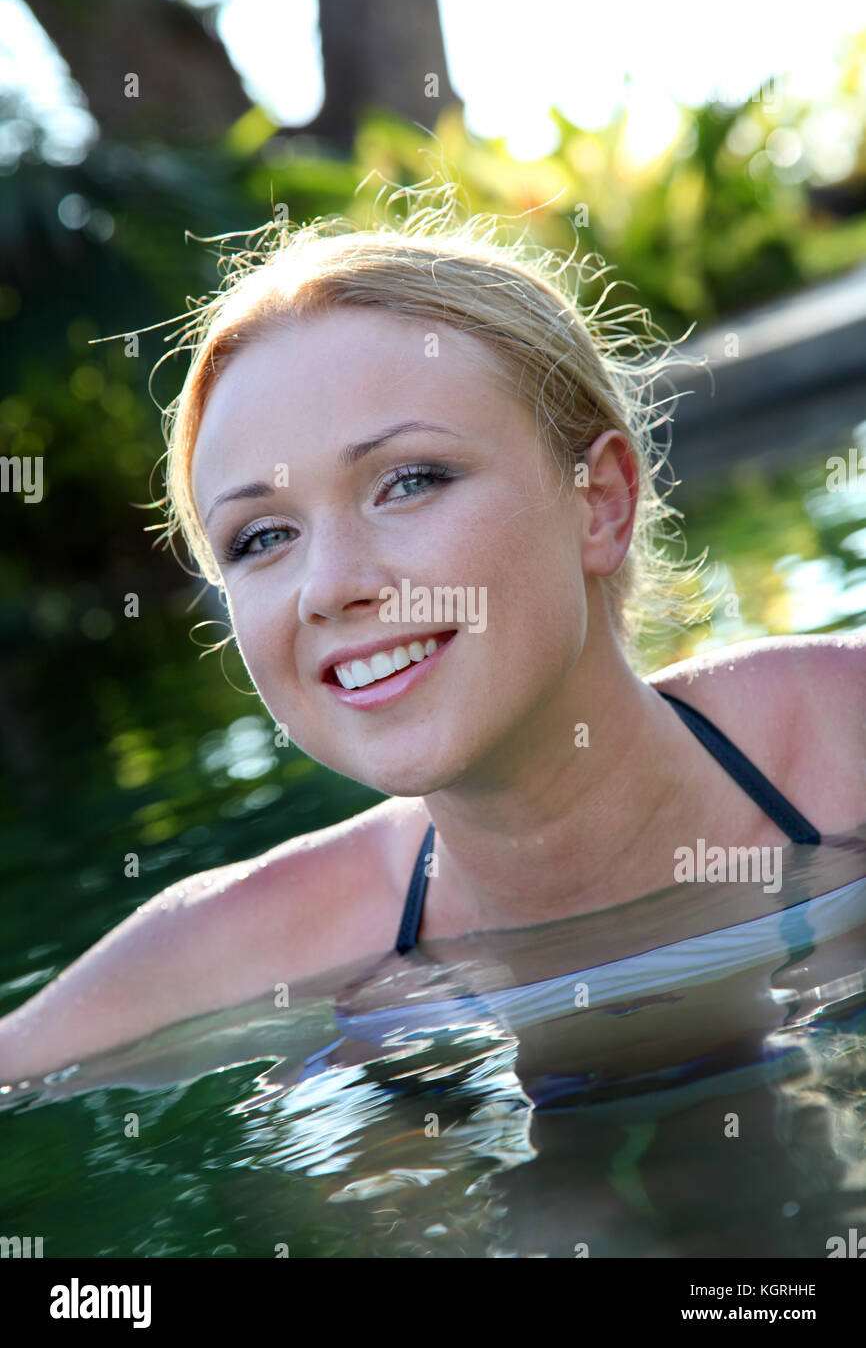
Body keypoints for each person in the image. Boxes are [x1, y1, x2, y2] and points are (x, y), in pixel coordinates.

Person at [1, 202, 864, 1084]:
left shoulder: (848, 740)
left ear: (598, 502)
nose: (330, 586)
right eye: (261, 537)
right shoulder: (253, 944)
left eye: (408, 482)